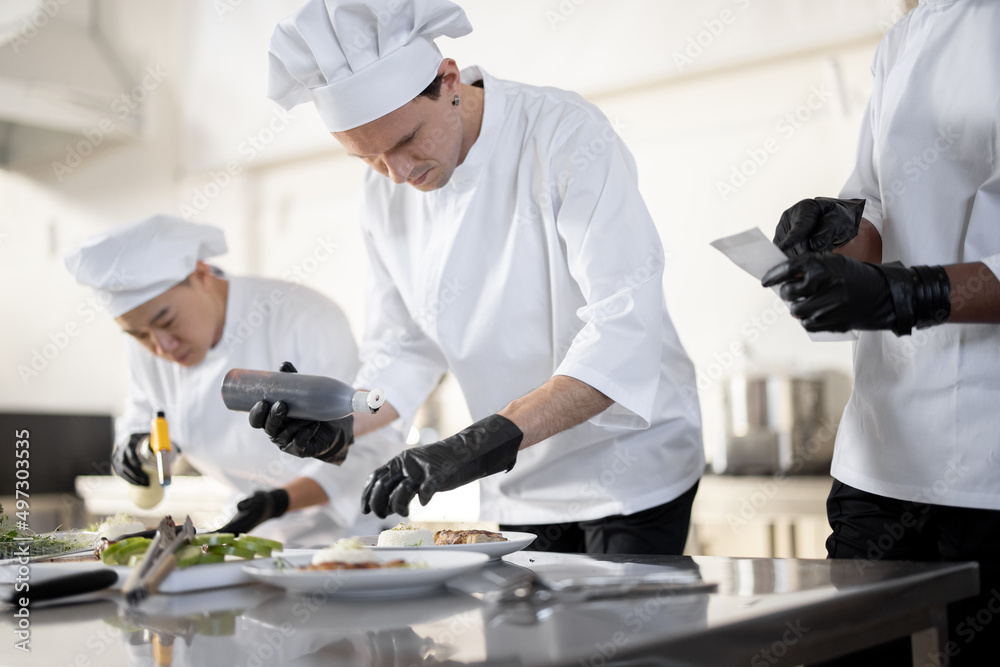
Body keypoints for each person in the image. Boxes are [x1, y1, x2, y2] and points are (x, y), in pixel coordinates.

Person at [257, 0, 704, 555]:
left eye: (406, 141)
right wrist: (342, 422)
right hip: (516, 480)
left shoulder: (563, 133)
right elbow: (405, 352)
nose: (397, 174)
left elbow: (622, 327)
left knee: (615, 614)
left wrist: (476, 444)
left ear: (448, 81)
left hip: (629, 468)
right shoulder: (384, 194)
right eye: (369, 158)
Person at [761, 2, 1000, 664]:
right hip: (881, 463)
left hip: (989, 474)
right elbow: (879, 208)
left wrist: (907, 293)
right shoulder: (905, 39)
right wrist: (834, 235)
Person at [64, 216, 403, 545]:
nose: (161, 347)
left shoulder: (305, 318)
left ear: (201, 275)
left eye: (167, 322)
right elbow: (146, 414)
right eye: (139, 335)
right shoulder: (150, 343)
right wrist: (137, 446)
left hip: (351, 532)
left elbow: (362, 449)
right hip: (252, 527)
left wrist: (277, 502)